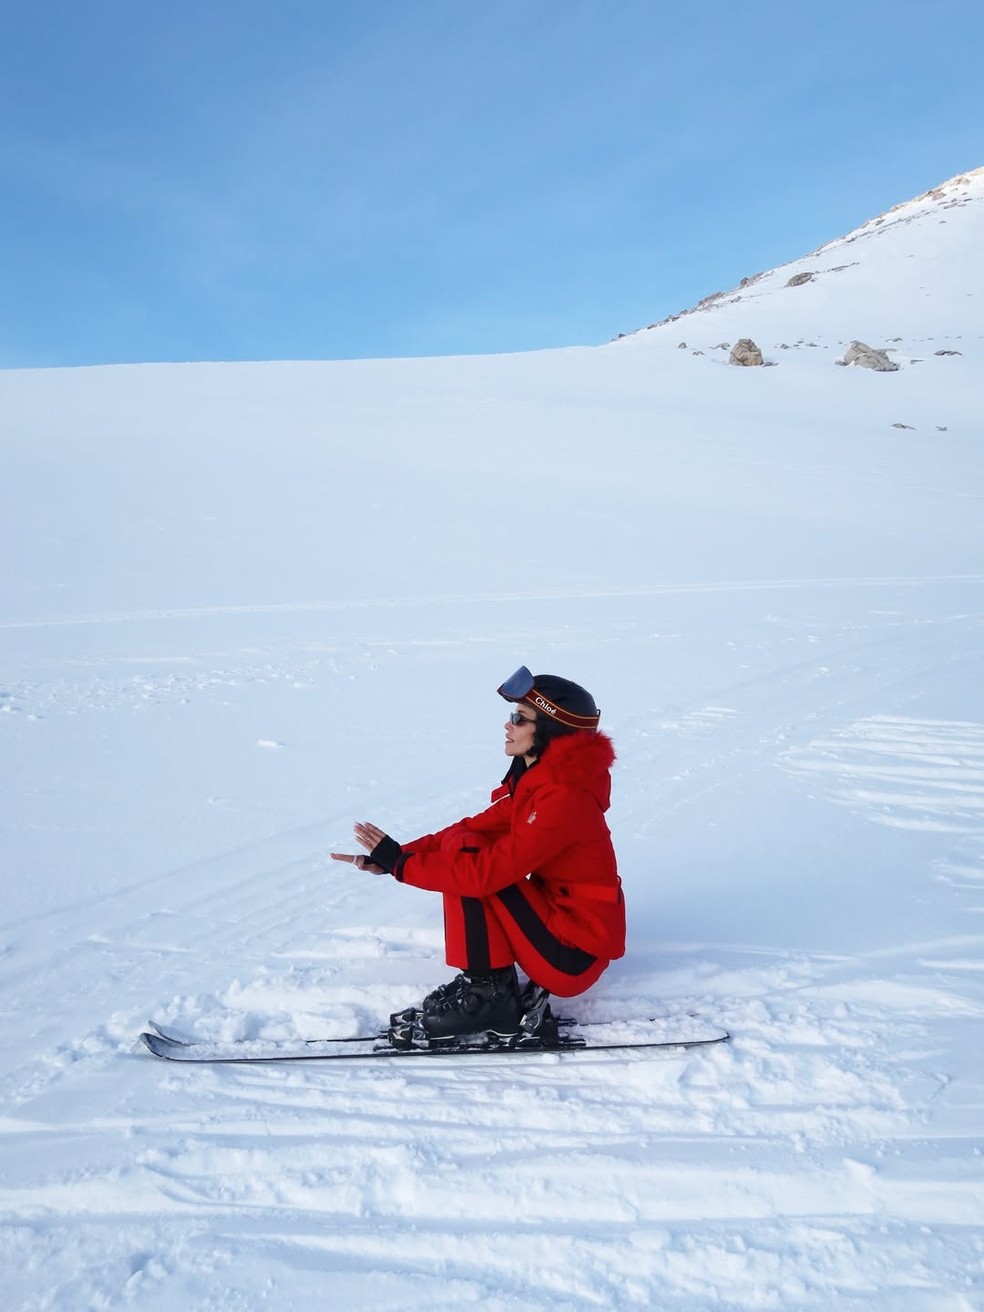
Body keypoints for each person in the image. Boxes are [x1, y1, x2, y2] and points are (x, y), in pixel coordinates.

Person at [330, 666, 624, 1047]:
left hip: (571, 955)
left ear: (550, 731)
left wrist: (402, 865)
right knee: (466, 844)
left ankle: (488, 998)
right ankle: (485, 987)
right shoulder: (540, 785)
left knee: (472, 863)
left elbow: (482, 874)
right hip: (559, 925)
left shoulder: (564, 799)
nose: (508, 725)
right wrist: (397, 856)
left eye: (520, 718)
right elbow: (470, 829)